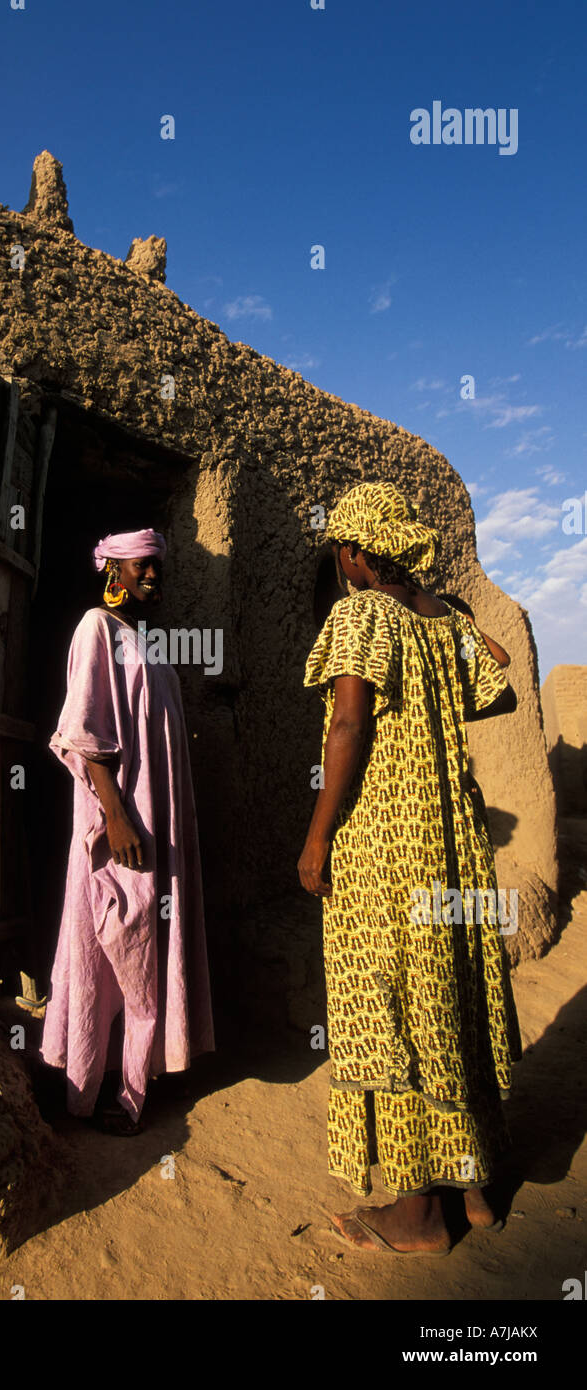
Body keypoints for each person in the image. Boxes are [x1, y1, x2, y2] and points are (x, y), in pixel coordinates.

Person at [298, 481, 522, 1255]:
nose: (339, 562)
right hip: (452, 841)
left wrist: (319, 834)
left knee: (393, 1001)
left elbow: (349, 722)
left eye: (341, 549)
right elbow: (500, 694)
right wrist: (456, 617)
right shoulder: (441, 622)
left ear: (360, 552)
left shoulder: (360, 613)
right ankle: (475, 1187)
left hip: (387, 840)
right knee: (449, 986)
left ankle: (418, 1215)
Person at [40, 527, 215, 1135]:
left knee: (142, 947)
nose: (152, 576)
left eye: (157, 568)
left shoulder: (152, 645)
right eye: (141, 566)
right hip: (119, 821)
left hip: (155, 823)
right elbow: (82, 732)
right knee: (108, 939)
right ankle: (84, 1084)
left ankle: (134, 1086)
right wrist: (115, 814)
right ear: (112, 571)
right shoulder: (96, 628)